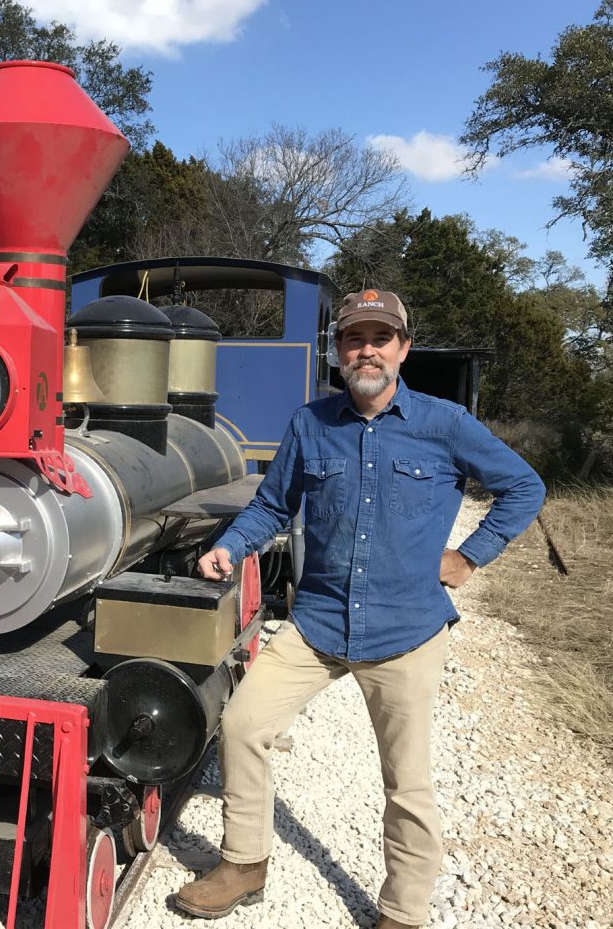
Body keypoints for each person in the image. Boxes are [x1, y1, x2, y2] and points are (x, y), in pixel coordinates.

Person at [175, 289, 545, 928]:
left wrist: (469, 557)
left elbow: (524, 487)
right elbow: (271, 505)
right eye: (353, 338)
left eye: (381, 338)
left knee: (406, 782)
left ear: (402, 348)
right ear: (337, 350)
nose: (366, 350)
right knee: (241, 726)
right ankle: (244, 863)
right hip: (318, 620)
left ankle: (403, 909)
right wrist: (231, 547)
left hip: (408, 629)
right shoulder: (310, 424)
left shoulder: (445, 423)